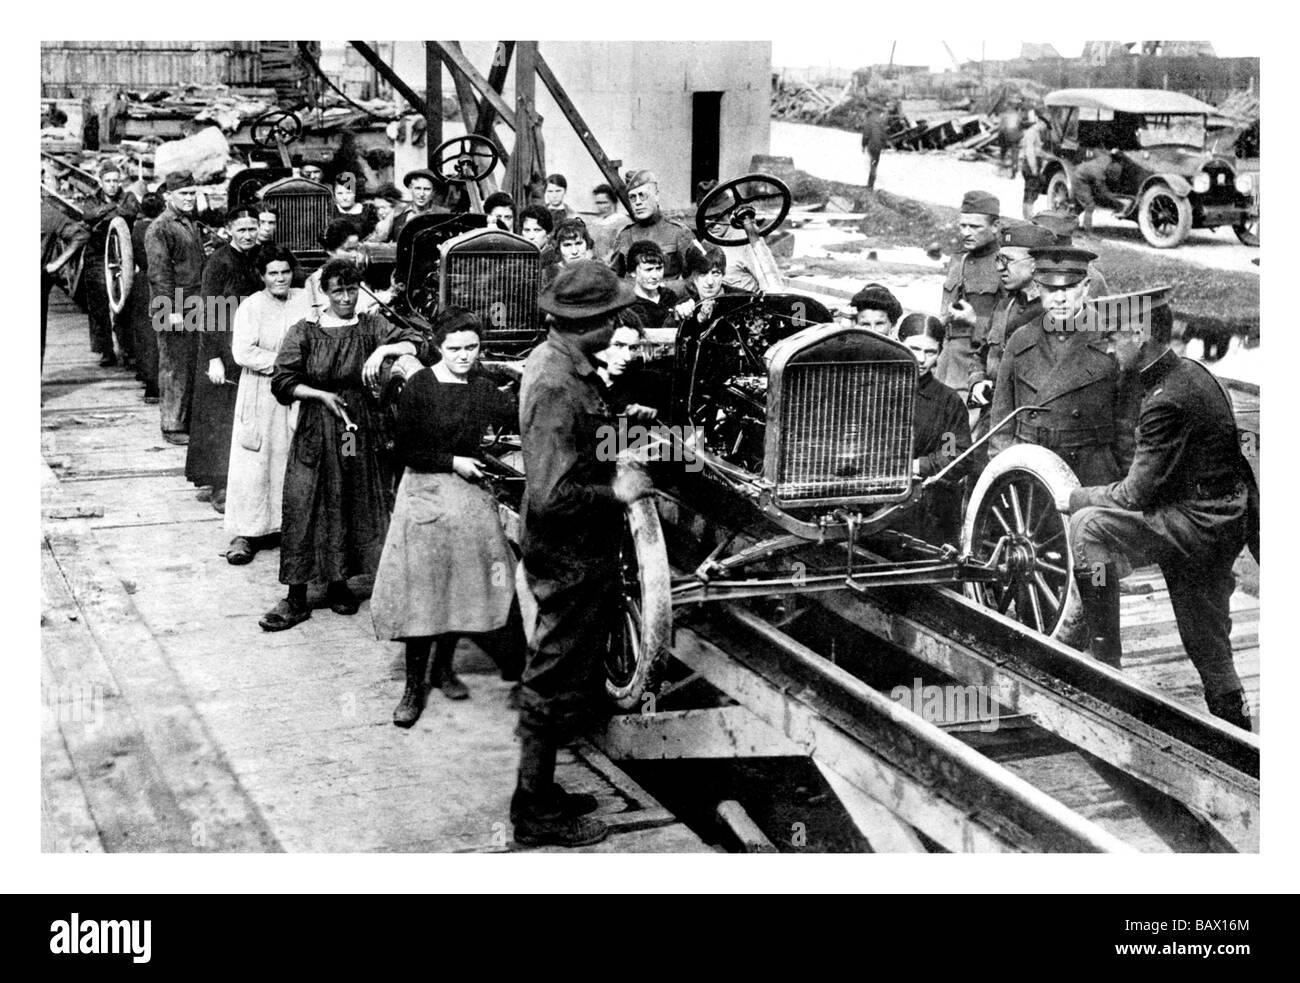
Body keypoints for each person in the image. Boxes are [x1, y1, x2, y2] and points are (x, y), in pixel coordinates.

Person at [1062, 298, 1257, 730]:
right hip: (1224, 520)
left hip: (1194, 525)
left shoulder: (1164, 399)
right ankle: (1240, 737)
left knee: (1088, 526)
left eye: (1114, 337)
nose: (1109, 347)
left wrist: (1076, 496)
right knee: (1207, 640)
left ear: (1139, 335)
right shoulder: (1195, 373)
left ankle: (1104, 662)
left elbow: (1134, 495)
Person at [512, 260, 652, 847]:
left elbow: (579, 444)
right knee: (552, 678)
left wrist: (624, 427)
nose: (620, 324)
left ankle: (544, 795)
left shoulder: (568, 365)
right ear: (587, 323)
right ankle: (533, 815)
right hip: (567, 554)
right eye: (612, 316)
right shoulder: (555, 384)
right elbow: (552, 495)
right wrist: (617, 492)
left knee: (566, 674)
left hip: (582, 550)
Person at [372, 308, 520, 725]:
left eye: (472, 348)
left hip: (466, 493)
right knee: (423, 590)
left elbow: (518, 414)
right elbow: (403, 450)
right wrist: (453, 461)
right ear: (438, 347)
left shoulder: (482, 387)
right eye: (454, 348)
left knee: (460, 584)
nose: (464, 356)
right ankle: (412, 688)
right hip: (425, 488)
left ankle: (443, 669)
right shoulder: (421, 385)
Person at [261, 259, 423, 631]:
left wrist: (382, 352)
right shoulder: (305, 331)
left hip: (353, 431)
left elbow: (417, 341)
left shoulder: (371, 326)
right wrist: (320, 395)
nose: (346, 298)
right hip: (317, 429)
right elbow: (282, 382)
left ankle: (339, 584)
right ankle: (296, 596)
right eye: (338, 291)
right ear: (325, 293)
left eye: (352, 290)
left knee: (347, 495)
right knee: (304, 502)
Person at [990, 245, 1136, 486]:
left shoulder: (1113, 340)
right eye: (1050, 289)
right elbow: (1002, 422)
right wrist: (1005, 475)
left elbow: (1127, 426)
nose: (1059, 299)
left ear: (1086, 287)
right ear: (1038, 287)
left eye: (1069, 288)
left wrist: (1127, 486)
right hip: (1031, 473)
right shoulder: (1021, 339)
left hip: (1090, 475)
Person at [224, 246, 312, 565]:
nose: (280, 279)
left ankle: (286, 528)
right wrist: (285, 363)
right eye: (273, 273)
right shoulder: (251, 306)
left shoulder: (304, 300)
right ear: (262, 276)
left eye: (285, 272)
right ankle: (247, 533)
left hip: (297, 390)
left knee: (290, 458)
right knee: (256, 462)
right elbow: (243, 352)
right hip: (262, 391)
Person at [186, 205, 264, 513]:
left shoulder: (261, 257)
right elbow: (208, 311)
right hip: (222, 347)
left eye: (252, 228)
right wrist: (213, 358)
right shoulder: (218, 262)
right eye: (241, 229)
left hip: (251, 345)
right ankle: (220, 483)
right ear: (229, 230)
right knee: (220, 416)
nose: (248, 235)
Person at [894, 312, 971, 544]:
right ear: (898, 343)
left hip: (925, 512)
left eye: (930, 352)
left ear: (939, 353)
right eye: (914, 349)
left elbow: (953, 454)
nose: (921, 359)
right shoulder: (877, 390)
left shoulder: (947, 403)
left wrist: (917, 465)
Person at [968, 224, 1057, 420]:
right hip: (993, 418)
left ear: (1035, 265)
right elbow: (981, 355)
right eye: (998, 259)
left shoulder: (1057, 314)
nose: (999, 268)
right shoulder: (1003, 306)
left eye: (1007, 260)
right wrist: (978, 381)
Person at [145, 171, 208, 445]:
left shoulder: (189, 223)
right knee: (174, 364)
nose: (189, 198)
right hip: (172, 304)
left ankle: (186, 420)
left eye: (192, 193)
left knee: (191, 361)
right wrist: (169, 310)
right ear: (168, 195)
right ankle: (172, 425)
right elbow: (159, 273)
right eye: (183, 193)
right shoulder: (160, 227)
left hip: (194, 301)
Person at [935, 191, 1001, 411]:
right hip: (945, 365)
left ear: (995, 226)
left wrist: (975, 321)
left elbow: (1012, 325)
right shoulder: (959, 260)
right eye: (963, 226)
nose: (966, 233)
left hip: (974, 368)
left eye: (974, 227)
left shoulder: (1005, 267)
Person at [82, 163, 141, 366]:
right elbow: (88, 215)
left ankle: (127, 349)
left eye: (116, 181)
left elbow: (131, 212)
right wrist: (113, 209)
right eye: (108, 181)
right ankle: (105, 350)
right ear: (101, 182)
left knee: (125, 300)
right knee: (98, 303)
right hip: (97, 254)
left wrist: (104, 214)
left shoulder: (128, 197)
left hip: (122, 254)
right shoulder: (92, 199)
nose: (112, 185)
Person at [609, 170, 698, 290]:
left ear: (656, 196)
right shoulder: (624, 236)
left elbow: (698, 276)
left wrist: (664, 289)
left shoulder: (679, 233)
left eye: (642, 195)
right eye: (632, 197)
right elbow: (613, 279)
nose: (638, 202)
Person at [41, 198, 90, 366]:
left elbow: (81, 236)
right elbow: (80, 235)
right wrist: (57, 264)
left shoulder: (47, 213)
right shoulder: (48, 212)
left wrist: (57, 264)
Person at [127, 193, 165, 400]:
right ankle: (155, 384)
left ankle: (146, 376)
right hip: (160, 282)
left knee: (144, 333)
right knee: (158, 335)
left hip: (141, 282)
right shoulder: (161, 228)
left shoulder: (136, 229)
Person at [304, 220, 383, 317]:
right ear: (330, 251)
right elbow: (329, 314)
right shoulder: (316, 280)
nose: (355, 254)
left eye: (356, 249)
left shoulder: (357, 273)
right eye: (348, 250)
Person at [372, 169, 447, 243]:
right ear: (410, 189)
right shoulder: (398, 214)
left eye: (427, 189)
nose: (421, 194)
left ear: (433, 192)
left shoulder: (443, 215)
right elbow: (375, 242)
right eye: (417, 188)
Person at [622, 239, 679, 331]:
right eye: (648, 270)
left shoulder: (669, 296)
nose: (655, 276)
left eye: (659, 268)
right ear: (632, 272)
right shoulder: (629, 307)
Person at [1072, 149, 1123, 237]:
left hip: (1084, 176)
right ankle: (1088, 233)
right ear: (1109, 169)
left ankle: (1070, 227)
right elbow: (1103, 191)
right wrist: (1116, 201)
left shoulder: (1107, 159)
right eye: (1112, 174)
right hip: (1079, 178)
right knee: (1090, 205)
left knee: (1081, 206)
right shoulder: (1099, 173)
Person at [1019, 109, 1047, 220]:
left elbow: (1038, 150)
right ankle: (1028, 217)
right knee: (1030, 191)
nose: (1045, 128)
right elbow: (1030, 152)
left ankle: (1027, 215)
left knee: (1031, 191)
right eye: (1045, 125)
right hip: (1030, 165)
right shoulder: (1032, 133)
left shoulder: (1035, 133)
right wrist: (1034, 168)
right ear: (1040, 122)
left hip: (1031, 164)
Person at [332, 171, 377, 238]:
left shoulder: (367, 211)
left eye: (349, 193)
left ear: (355, 192)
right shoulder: (330, 211)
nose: (344, 198)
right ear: (334, 194)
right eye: (340, 193)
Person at [588, 182, 624, 263]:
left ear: (613, 202)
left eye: (604, 203)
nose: (601, 207)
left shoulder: (622, 221)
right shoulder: (594, 223)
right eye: (598, 203)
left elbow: (618, 249)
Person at [860, 109, 888, 191]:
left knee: (872, 164)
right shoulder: (879, 124)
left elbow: (866, 136)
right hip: (878, 147)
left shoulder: (868, 123)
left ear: (867, 116)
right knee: (874, 164)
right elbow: (884, 136)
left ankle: (870, 185)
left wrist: (863, 145)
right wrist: (883, 146)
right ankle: (871, 185)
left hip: (872, 146)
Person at [998, 104, 1023, 176]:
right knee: (1015, 153)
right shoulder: (1018, 115)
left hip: (1006, 135)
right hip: (1015, 137)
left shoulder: (1004, 115)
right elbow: (1020, 126)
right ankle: (1014, 169)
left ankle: (1001, 165)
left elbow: (1001, 128)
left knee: (1003, 150)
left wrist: (1000, 138)